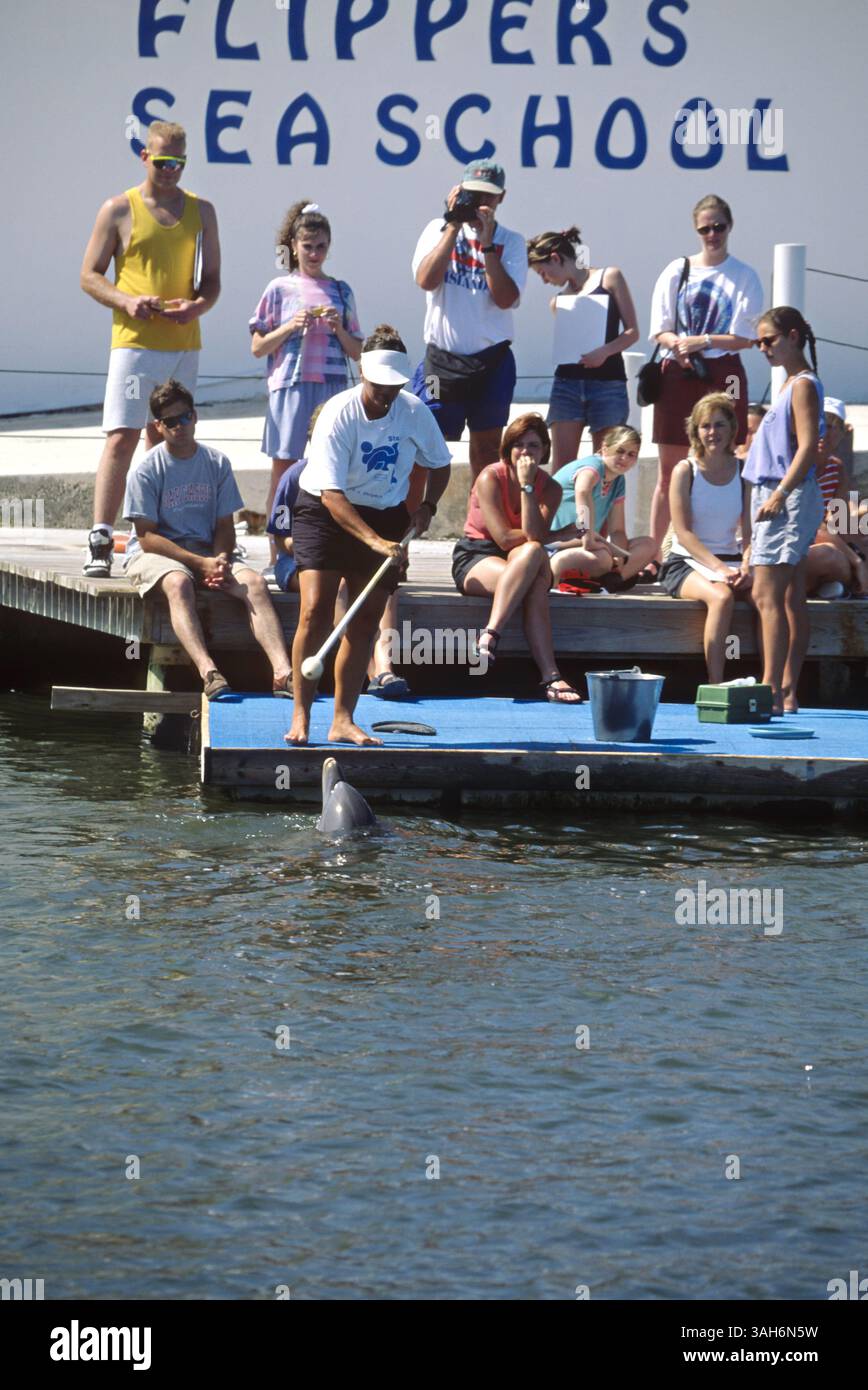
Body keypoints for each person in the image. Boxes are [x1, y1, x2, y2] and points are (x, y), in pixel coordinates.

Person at [286, 326, 452, 746]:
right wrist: (377, 544)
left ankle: (343, 719)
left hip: (386, 514)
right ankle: (301, 716)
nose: (386, 393)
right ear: (362, 373)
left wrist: (428, 506)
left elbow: (441, 462)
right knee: (315, 612)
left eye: (394, 385)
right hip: (325, 511)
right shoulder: (337, 415)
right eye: (379, 384)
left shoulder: (414, 411)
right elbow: (332, 496)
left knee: (364, 623)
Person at [80, 121, 221, 577]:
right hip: (135, 342)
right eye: (162, 162)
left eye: (179, 163)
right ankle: (101, 536)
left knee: (165, 437)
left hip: (183, 342)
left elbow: (213, 283)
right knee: (122, 436)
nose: (170, 170)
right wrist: (126, 300)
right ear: (145, 156)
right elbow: (90, 274)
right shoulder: (119, 208)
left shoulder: (203, 211)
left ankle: (152, 536)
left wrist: (196, 306)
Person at [123, 381, 293, 700]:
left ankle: (283, 673)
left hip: (207, 553)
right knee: (178, 584)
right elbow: (146, 537)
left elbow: (224, 525)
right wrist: (199, 564)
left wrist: (221, 559)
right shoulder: (146, 469)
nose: (179, 426)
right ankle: (209, 672)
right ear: (158, 427)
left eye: (184, 417)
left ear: (195, 416)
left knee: (255, 583)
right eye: (170, 422)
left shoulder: (216, 463)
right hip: (158, 553)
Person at [647, 194, 762, 556]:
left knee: (728, 454)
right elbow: (659, 329)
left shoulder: (744, 275)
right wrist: (680, 345)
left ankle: (732, 546)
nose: (712, 234)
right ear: (696, 230)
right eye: (705, 229)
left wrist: (703, 340)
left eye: (719, 227)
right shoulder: (676, 269)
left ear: (730, 226)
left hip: (723, 370)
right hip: (678, 370)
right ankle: (657, 553)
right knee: (671, 467)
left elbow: (746, 337)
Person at [250, 201, 362, 561]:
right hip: (291, 388)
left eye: (321, 246)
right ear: (294, 247)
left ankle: (327, 551)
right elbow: (257, 346)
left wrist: (338, 329)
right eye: (308, 246)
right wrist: (289, 326)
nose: (314, 253)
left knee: (330, 471)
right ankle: (276, 555)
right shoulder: (279, 288)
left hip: (332, 389)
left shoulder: (342, 291)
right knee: (284, 471)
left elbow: (358, 350)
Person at [451, 413, 582, 702]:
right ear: (508, 448)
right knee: (533, 572)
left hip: (524, 559)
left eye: (533, 446)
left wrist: (527, 487)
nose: (525, 452)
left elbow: (532, 536)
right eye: (519, 445)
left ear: (544, 451)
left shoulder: (551, 488)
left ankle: (489, 635)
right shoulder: (490, 476)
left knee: (533, 556)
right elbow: (504, 538)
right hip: (479, 554)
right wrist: (556, 535)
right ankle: (552, 676)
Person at [410, 160, 527, 479]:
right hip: (440, 361)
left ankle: (481, 524)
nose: (479, 204)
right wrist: (452, 225)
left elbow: (504, 299)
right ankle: (414, 518)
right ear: (459, 192)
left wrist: (487, 244)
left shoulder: (512, 242)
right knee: (426, 440)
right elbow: (426, 280)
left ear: (501, 197)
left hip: (492, 363)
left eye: (487, 197)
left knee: (488, 447)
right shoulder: (437, 229)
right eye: (473, 195)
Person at [742, 308, 825, 714]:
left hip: (784, 494)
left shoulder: (803, 385)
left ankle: (770, 690)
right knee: (790, 595)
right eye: (759, 342)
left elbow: (808, 447)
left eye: (769, 340)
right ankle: (786, 691)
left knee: (767, 593)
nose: (763, 348)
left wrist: (780, 496)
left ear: (793, 337)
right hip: (775, 492)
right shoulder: (789, 384)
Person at [526, 226, 639, 470]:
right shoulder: (558, 301)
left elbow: (632, 332)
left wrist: (605, 352)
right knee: (563, 469)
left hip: (607, 384)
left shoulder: (610, 278)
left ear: (555, 258)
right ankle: (565, 510)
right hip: (567, 385)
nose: (545, 280)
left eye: (543, 272)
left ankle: (600, 509)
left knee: (605, 465)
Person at [659, 393, 754, 683]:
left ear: (732, 429)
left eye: (719, 425)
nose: (712, 432)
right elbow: (684, 534)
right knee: (722, 597)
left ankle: (773, 683)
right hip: (685, 562)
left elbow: (750, 532)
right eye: (705, 426)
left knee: (768, 596)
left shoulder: (744, 471)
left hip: (732, 561)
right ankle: (715, 684)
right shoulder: (685, 470)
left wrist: (747, 565)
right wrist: (721, 570)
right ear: (696, 431)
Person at [547, 426, 656, 589]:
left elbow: (617, 530)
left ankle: (609, 582)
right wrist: (588, 537)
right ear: (605, 448)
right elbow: (582, 490)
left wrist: (619, 559)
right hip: (555, 543)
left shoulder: (618, 480)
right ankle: (558, 570)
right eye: (620, 451)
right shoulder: (593, 466)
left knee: (649, 545)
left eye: (631, 454)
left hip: (585, 546)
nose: (624, 458)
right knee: (603, 559)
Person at [805, 398, 868, 598]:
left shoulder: (836, 467)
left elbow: (839, 520)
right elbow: (811, 526)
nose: (825, 432)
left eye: (832, 426)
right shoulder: (799, 466)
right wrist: (857, 560)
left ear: (843, 433)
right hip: (801, 544)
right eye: (820, 423)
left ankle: (835, 587)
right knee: (832, 557)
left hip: (825, 537)